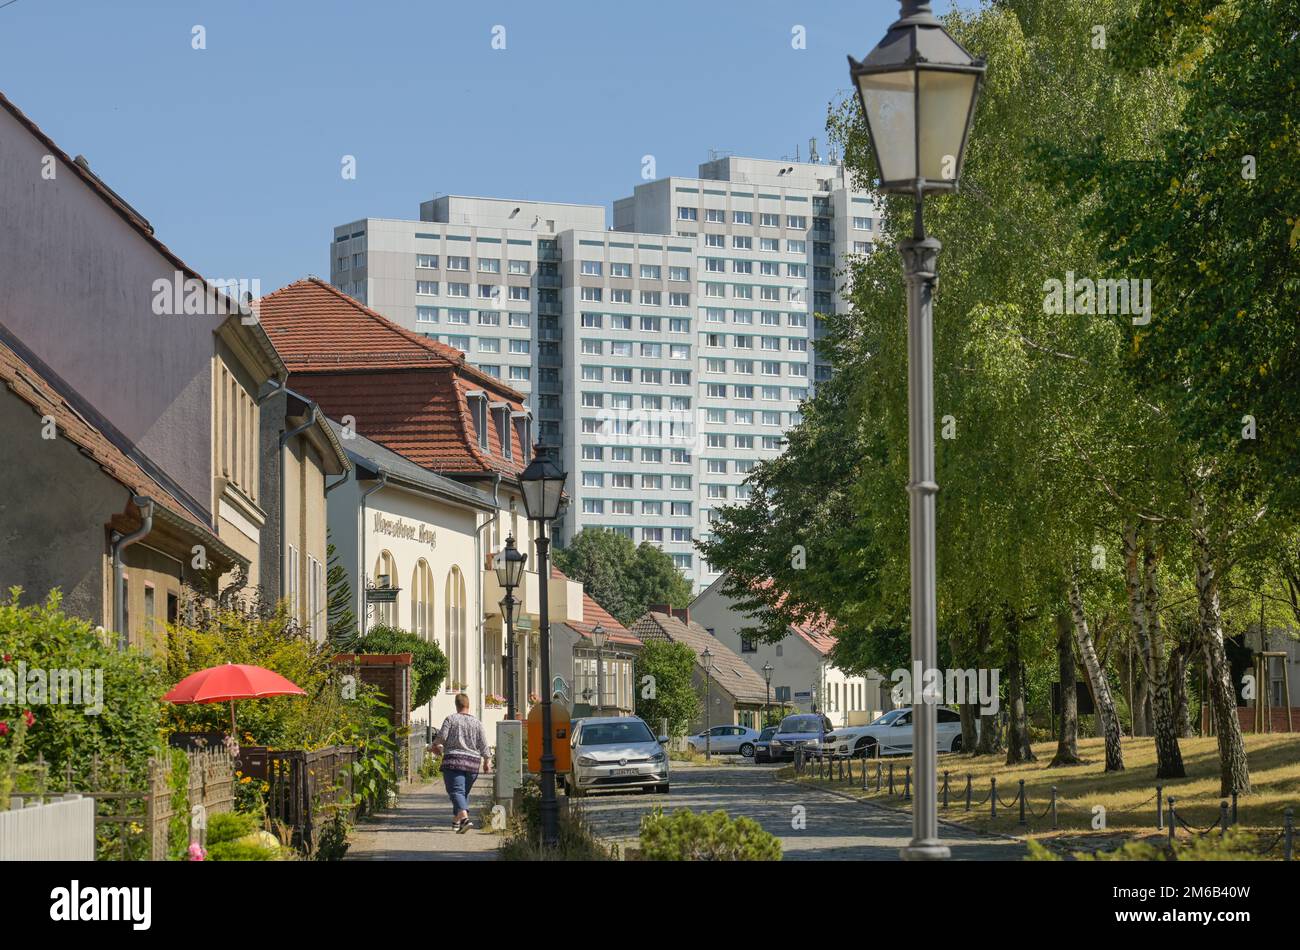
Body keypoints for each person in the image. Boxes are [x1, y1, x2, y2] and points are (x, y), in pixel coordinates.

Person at [431, 693, 492, 832]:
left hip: (454, 761)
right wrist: (487, 761)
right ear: (468, 705)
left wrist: (434, 746)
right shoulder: (477, 723)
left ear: (456, 705)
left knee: (456, 791)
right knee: (462, 793)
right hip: (472, 764)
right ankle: (456, 821)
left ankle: (464, 820)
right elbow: (483, 744)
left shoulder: (451, 719)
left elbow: (442, 737)